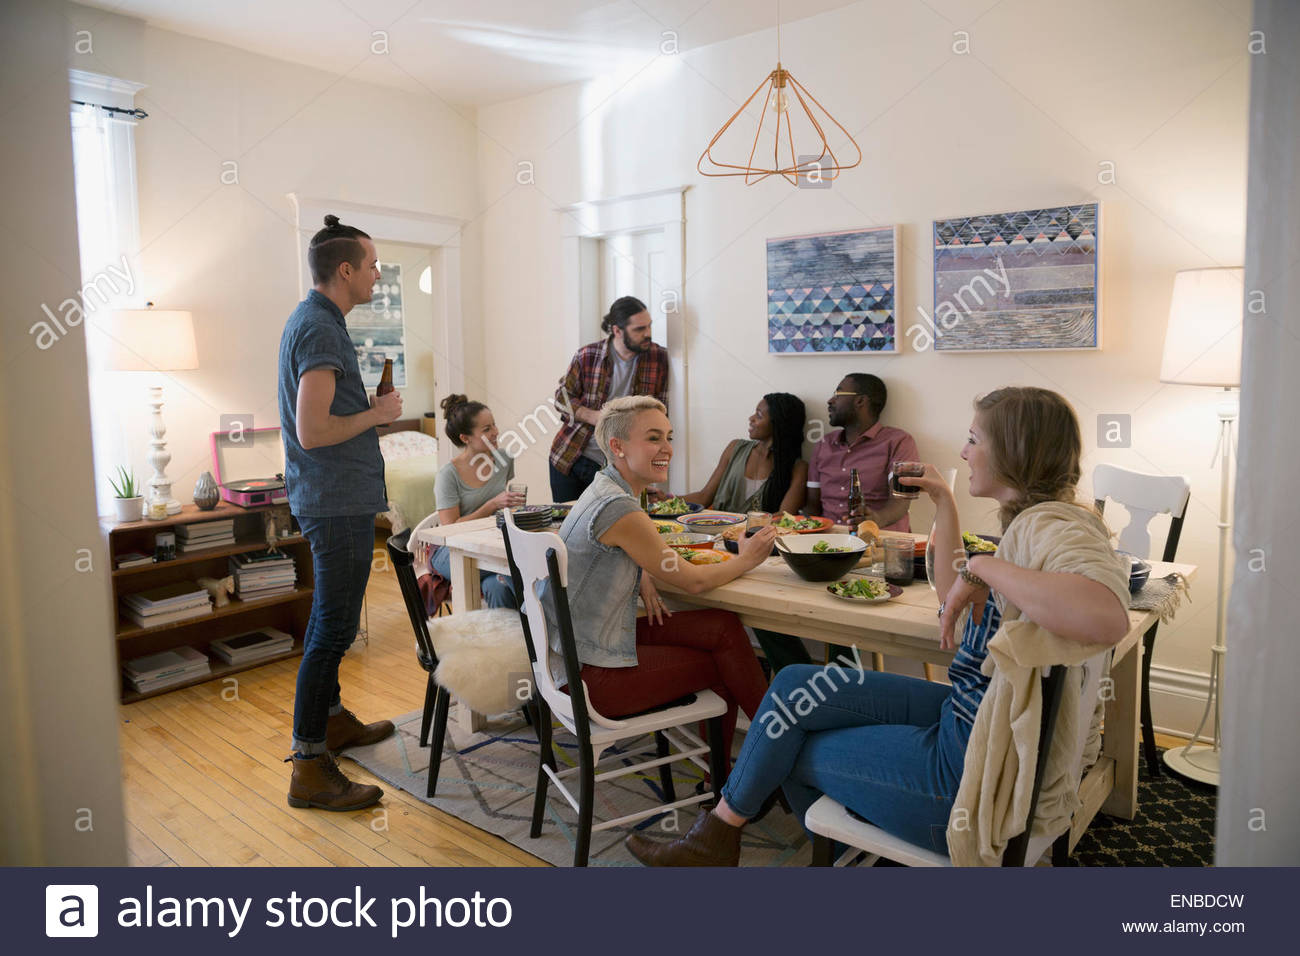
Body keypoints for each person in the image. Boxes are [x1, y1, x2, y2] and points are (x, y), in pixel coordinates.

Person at [626, 386, 1132, 866]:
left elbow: (1106, 615)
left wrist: (984, 567)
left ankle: (805, 851)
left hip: (969, 772)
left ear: (1016, 451)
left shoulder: (1057, 526)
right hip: (969, 718)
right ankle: (723, 836)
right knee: (794, 688)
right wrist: (944, 503)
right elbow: (947, 589)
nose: (963, 451)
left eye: (975, 439)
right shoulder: (1034, 521)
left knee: (788, 741)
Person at [542, 396, 781, 760]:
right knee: (726, 663)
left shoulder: (602, 489)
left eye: (669, 437)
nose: (667, 448)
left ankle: (760, 762)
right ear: (617, 447)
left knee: (722, 627)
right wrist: (747, 560)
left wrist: (641, 572)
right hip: (592, 678)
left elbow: (605, 548)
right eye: (654, 438)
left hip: (576, 653)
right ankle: (754, 770)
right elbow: (693, 582)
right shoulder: (620, 507)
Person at [278, 215, 400, 812]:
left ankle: (332, 722)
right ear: (346, 270)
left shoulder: (319, 322)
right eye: (373, 264)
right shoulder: (321, 331)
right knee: (332, 630)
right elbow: (313, 428)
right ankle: (308, 764)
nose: (378, 273)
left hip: (335, 497)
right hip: (335, 500)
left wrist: (371, 409)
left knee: (337, 625)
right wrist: (377, 417)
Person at [549, 296, 669, 502]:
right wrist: (594, 416)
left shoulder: (658, 358)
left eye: (649, 326)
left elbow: (661, 412)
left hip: (618, 466)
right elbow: (562, 398)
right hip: (572, 457)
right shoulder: (588, 355)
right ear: (617, 331)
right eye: (639, 329)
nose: (647, 334)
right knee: (566, 528)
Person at [423, 394, 521, 609]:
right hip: (450, 550)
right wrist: (492, 506)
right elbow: (448, 529)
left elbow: (504, 507)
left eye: (494, 425)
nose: (495, 432)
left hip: (489, 544)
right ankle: (547, 629)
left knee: (498, 585)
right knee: (522, 563)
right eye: (486, 429)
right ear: (465, 438)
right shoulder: (448, 475)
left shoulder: (504, 459)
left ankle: (512, 641)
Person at [807, 373, 919, 531]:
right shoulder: (823, 444)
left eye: (838, 394)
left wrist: (875, 519)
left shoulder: (898, 442)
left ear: (860, 401)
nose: (830, 401)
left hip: (881, 541)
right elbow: (812, 506)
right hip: (829, 542)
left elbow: (901, 503)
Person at [684, 393, 808, 515]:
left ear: (778, 423)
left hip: (762, 534)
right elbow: (704, 497)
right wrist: (667, 498)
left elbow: (784, 516)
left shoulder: (798, 468)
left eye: (759, 415)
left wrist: (744, 528)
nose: (751, 418)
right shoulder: (735, 448)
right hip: (719, 529)